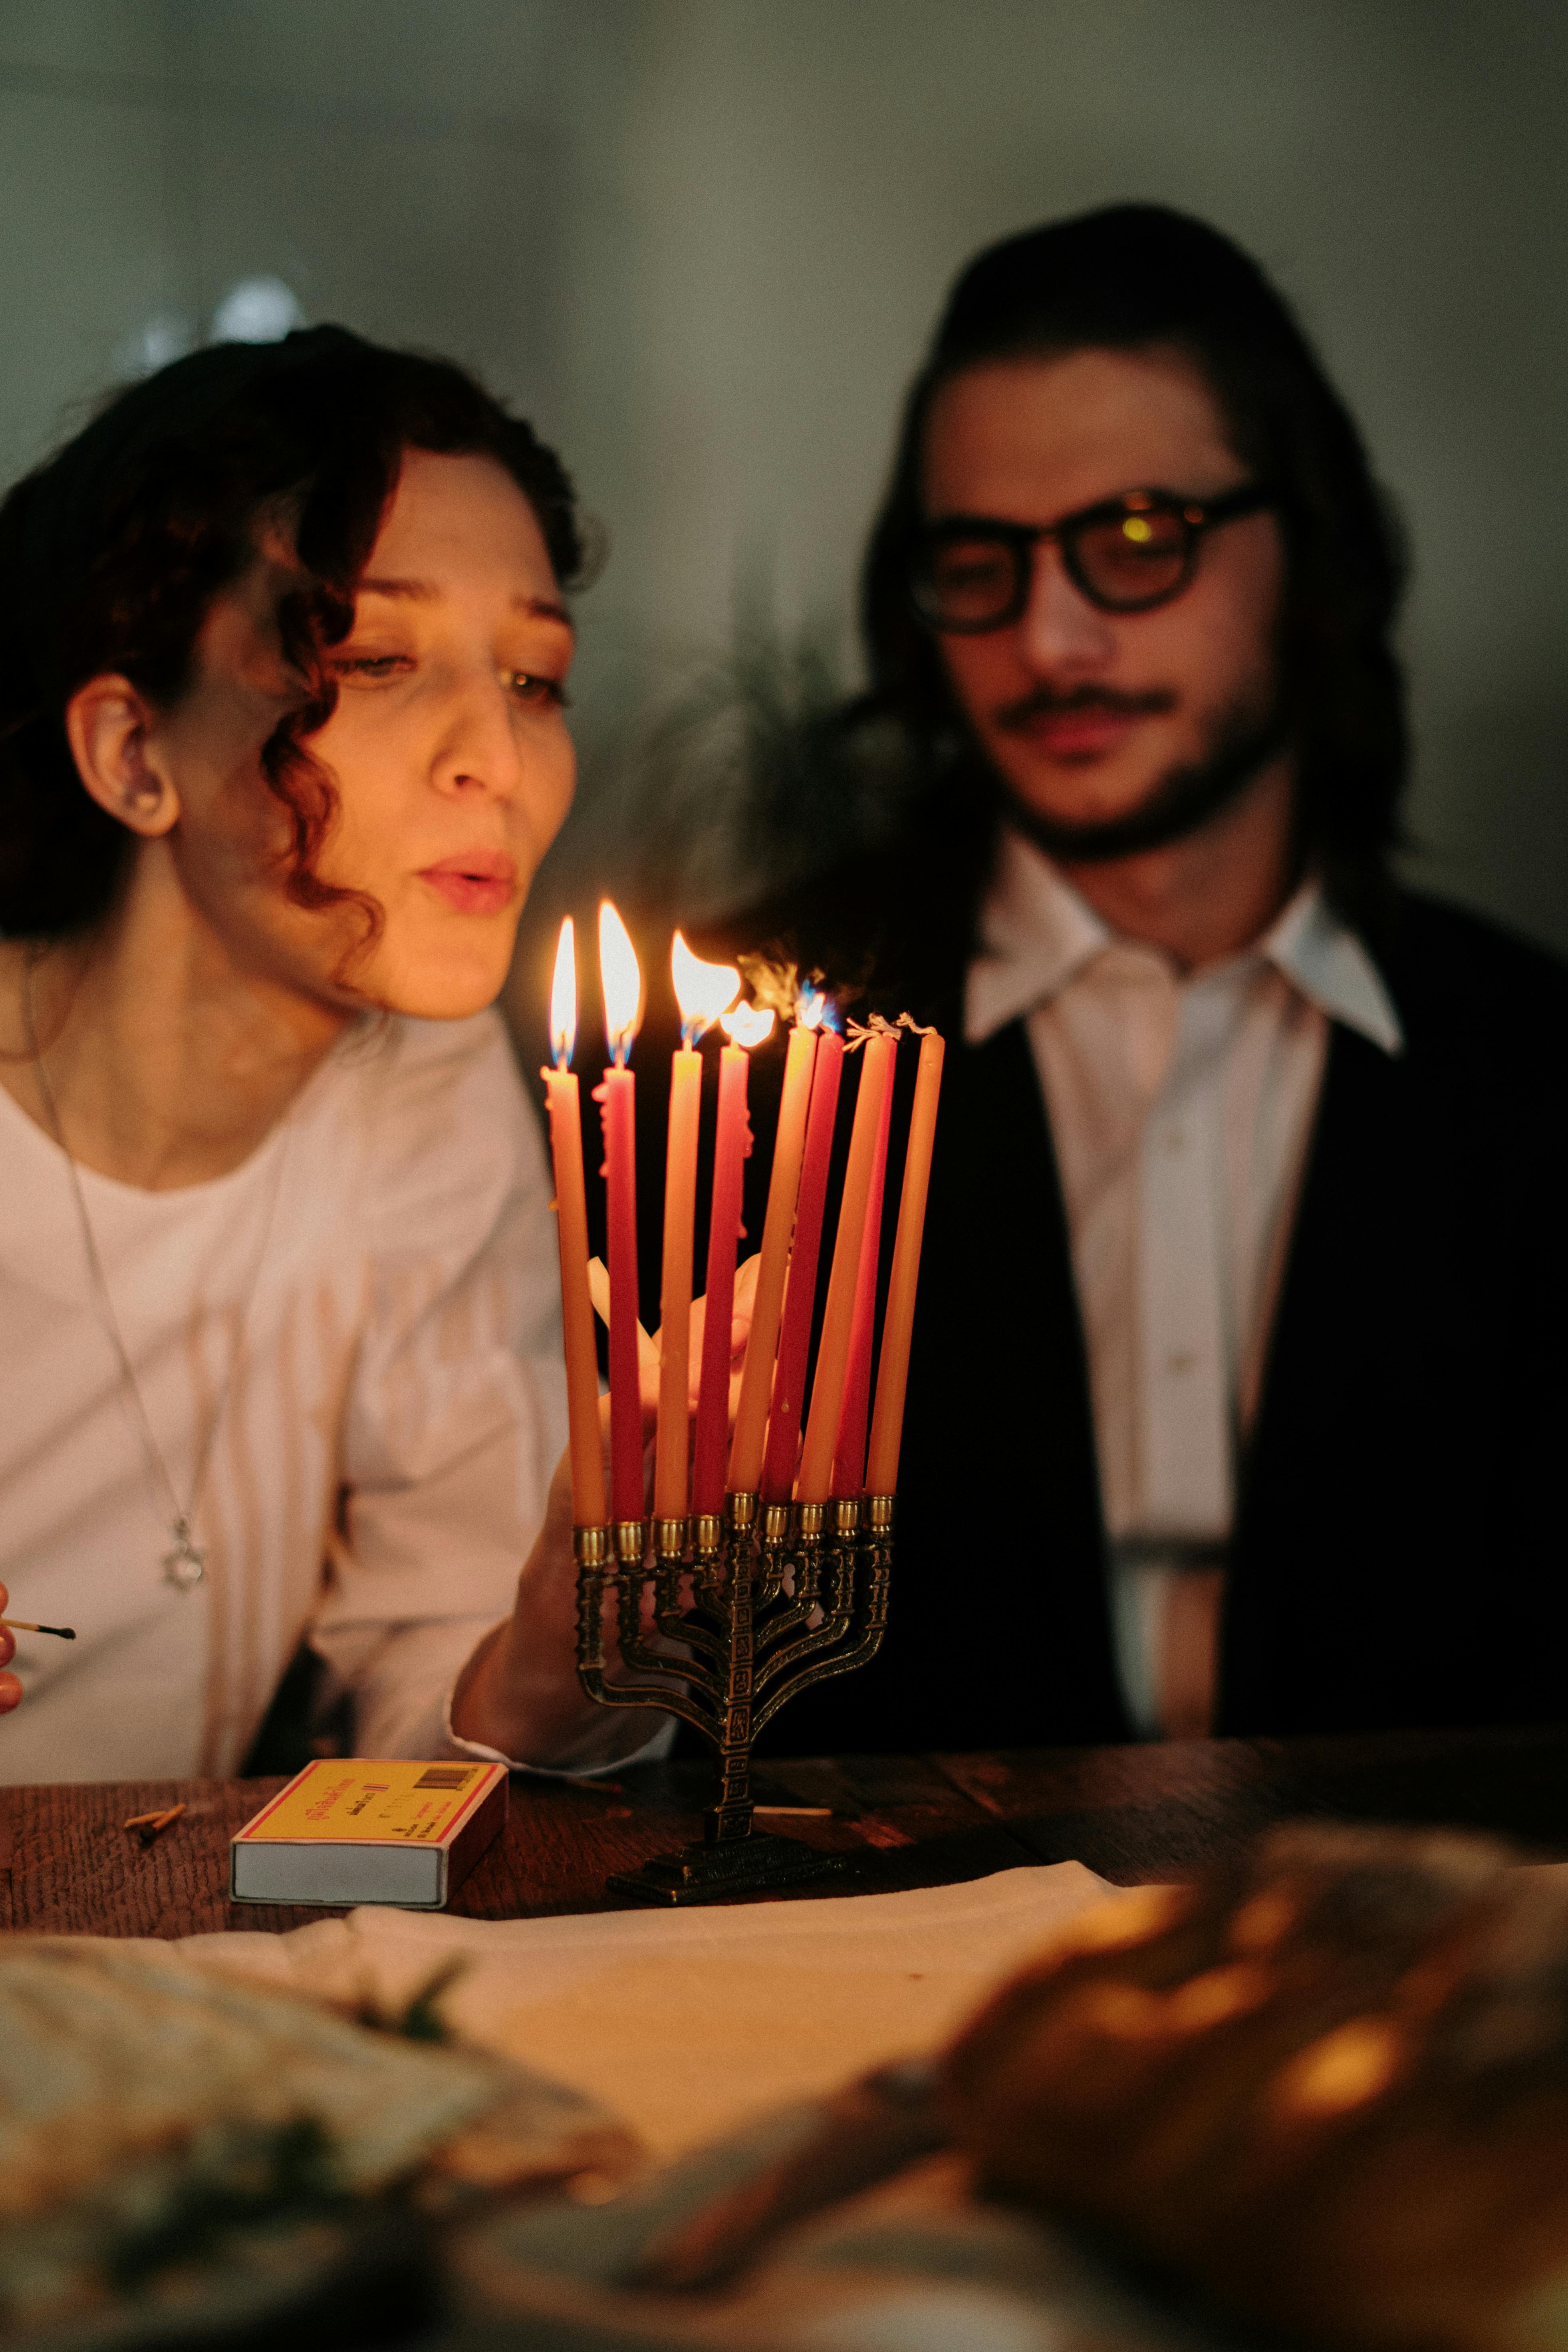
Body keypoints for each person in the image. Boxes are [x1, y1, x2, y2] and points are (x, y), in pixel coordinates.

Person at [687, 203, 1568, 1753]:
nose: (1050, 636)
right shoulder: (750, 1054)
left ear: (1308, 551)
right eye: (978, 562)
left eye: (1137, 543)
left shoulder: (1532, 1072)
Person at [0, 326, 668, 1784]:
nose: (492, 753)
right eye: (373, 657)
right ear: (132, 752)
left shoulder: (421, 1093)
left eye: (537, 679)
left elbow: (434, 1676)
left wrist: (562, 1651)